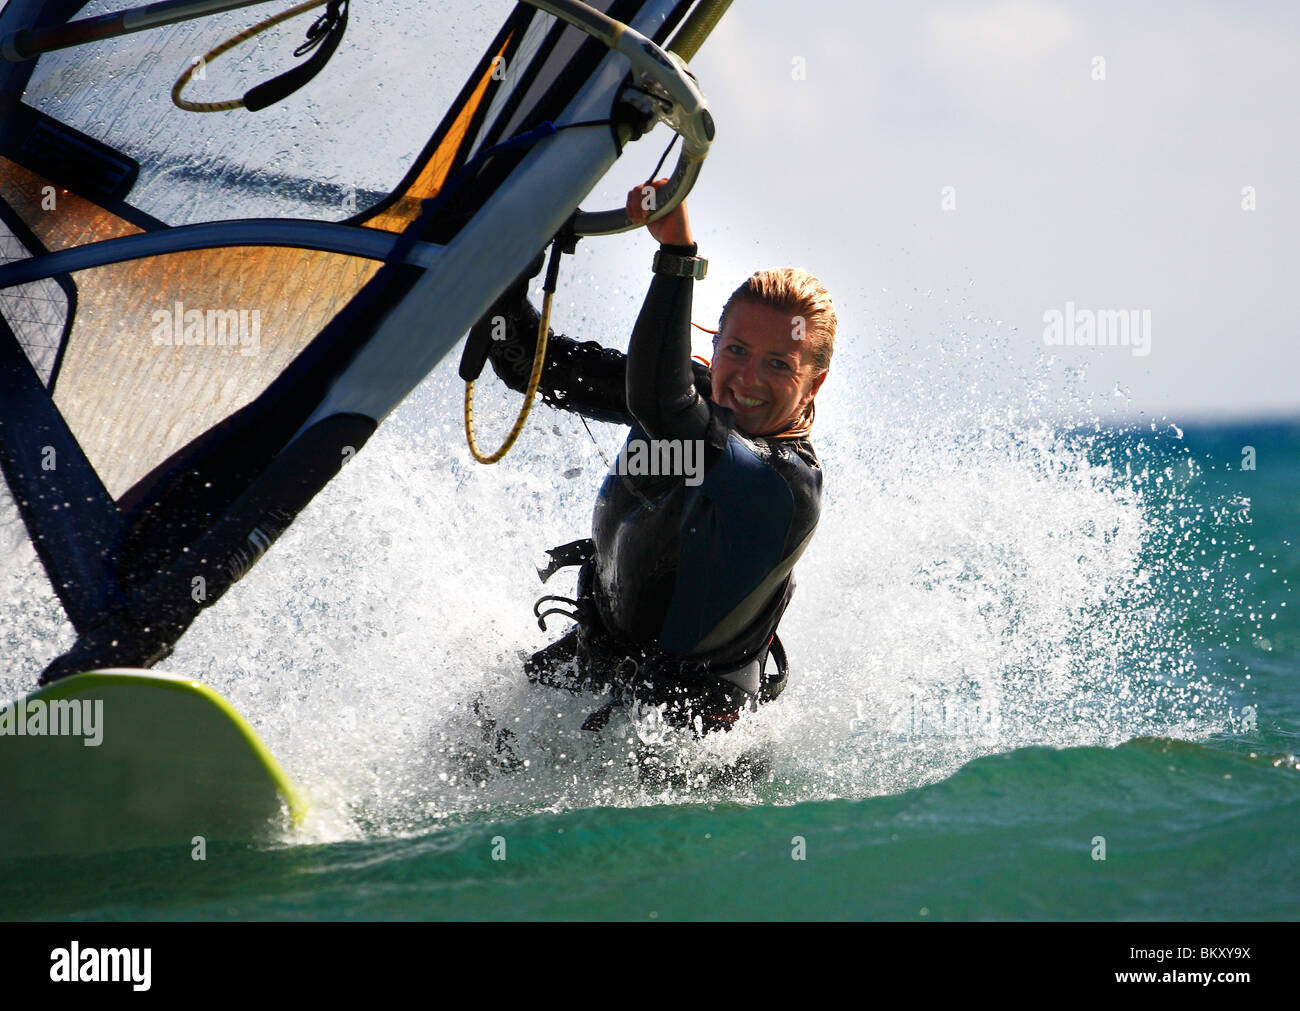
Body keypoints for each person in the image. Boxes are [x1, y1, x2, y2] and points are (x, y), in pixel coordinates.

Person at [477, 182, 835, 734]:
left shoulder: (783, 484)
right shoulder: (686, 395)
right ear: (713, 346)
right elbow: (528, 364)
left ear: (814, 383)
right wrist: (510, 254)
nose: (747, 379)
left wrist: (676, 257)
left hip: (690, 746)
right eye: (737, 351)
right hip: (593, 664)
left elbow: (662, 406)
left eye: (779, 364)